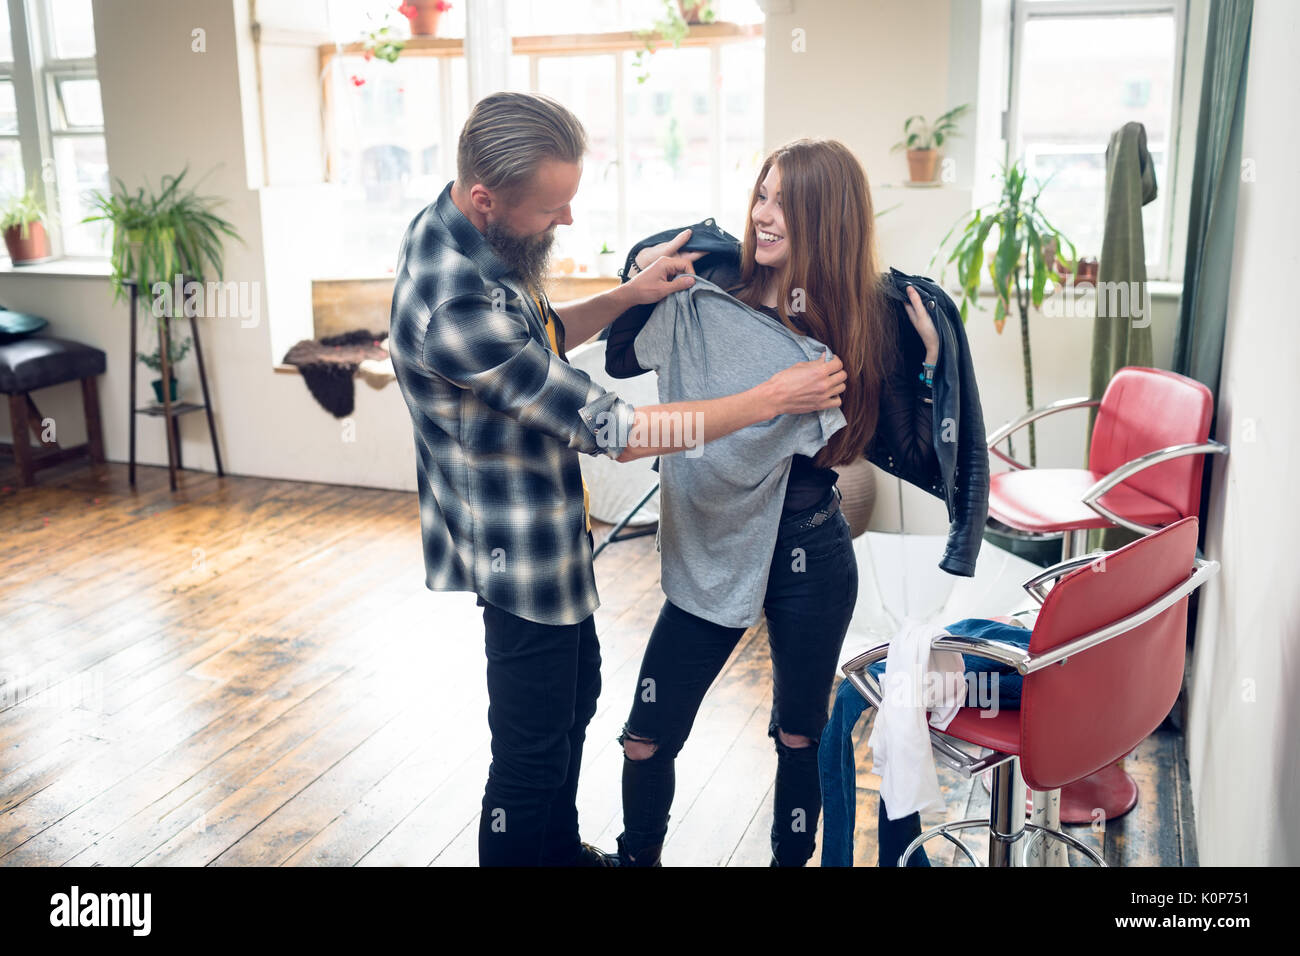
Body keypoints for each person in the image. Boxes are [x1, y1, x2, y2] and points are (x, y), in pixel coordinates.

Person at [387, 92, 848, 867]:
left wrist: (630, 295)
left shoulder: (457, 231)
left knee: (577, 700)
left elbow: (535, 335)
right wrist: (771, 399)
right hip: (517, 553)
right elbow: (622, 434)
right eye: (552, 209)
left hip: (551, 534)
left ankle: (560, 855)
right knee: (530, 754)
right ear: (486, 199)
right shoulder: (454, 305)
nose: (567, 220)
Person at [605, 138, 943, 867]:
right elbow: (620, 356)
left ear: (827, 219)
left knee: (800, 734)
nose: (763, 214)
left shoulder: (856, 324)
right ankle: (637, 858)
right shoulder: (709, 294)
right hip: (712, 546)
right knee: (646, 736)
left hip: (809, 551)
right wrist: (638, 281)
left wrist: (930, 366)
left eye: (785, 203)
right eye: (762, 194)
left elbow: (916, 452)